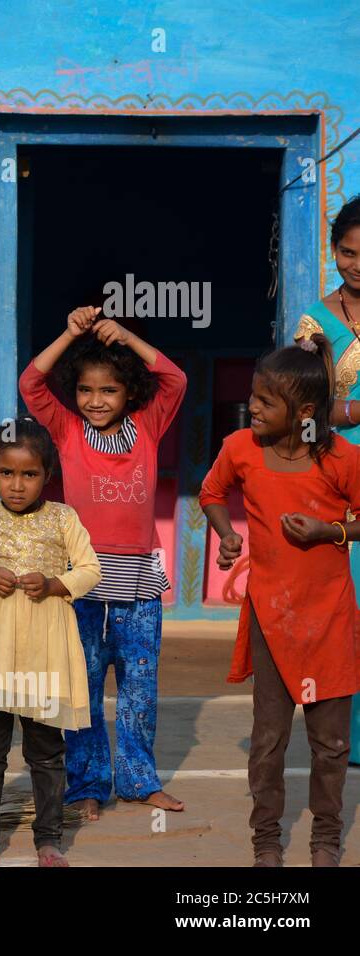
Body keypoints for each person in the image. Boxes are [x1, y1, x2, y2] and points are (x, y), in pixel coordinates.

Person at [20, 307, 187, 820]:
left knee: (139, 693)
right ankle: (87, 784)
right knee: (84, 690)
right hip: (82, 592)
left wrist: (128, 336)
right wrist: (71, 333)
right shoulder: (68, 431)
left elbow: (175, 378)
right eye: (87, 390)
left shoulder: (148, 426)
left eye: (109, 391)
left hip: (138, 591)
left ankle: (139, 781)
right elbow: (31, 382)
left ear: (129, 393)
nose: (95, 401)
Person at [200, 333, 360, 867]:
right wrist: (226, 534)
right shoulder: (239, 449)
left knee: (330, 746)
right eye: (254, 396)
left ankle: (324, 841)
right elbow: (210, 493)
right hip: (271, 618)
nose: (255, 408)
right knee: (267, 741)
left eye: (268, 401)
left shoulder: (341, 457)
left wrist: (329, 530)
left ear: (306, 411)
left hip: (330, 620)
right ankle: (265, 842)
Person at [0, 417, 101, 866]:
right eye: (6, 473)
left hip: (43, 649)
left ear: (46, 476)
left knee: (46, 753)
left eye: (29, 475)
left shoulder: (63, 517)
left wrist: (55, 584)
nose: (16, 485)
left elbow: (90, 569)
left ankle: (47, 839)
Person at [292, 194, 360, 766]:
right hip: (340, 469)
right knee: (348, 606)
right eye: (347, 252)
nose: (357, 264)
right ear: (334, 250)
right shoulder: (314, 320)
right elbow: (305, 405)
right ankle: (347, 739)